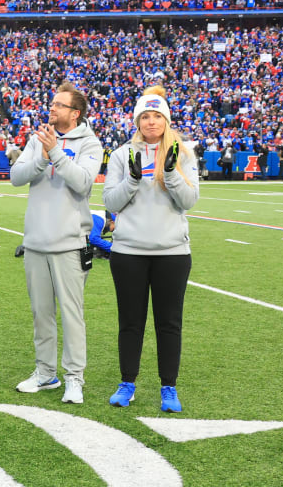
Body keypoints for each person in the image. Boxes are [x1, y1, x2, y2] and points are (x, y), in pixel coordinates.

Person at [102, 87, 199, 413]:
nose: (152, 122)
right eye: (146, 116)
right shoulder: (122, 154)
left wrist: (170, 174)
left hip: (171, 253)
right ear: (138, 120)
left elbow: (189, 201)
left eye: (157, 116)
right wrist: (131, 181)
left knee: (169, 323)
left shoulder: (182, 154)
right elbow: (110, 203)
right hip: (129, 251)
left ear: (166, 119)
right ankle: (127, 383)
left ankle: (168, 388)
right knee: (130, 322)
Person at [10, 82, 102, 405]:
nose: (53, 108)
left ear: (75, 113)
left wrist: (56, 154)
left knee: (71, 313)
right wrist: (41, 157)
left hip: (69, 243)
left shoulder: (91, 143)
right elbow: (16, 175)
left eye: (60, 105)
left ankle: (74, 378)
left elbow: (83, 182)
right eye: (52, 103)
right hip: (35, 241)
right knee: (41, 313)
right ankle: (45, 372)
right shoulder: (39, 138)